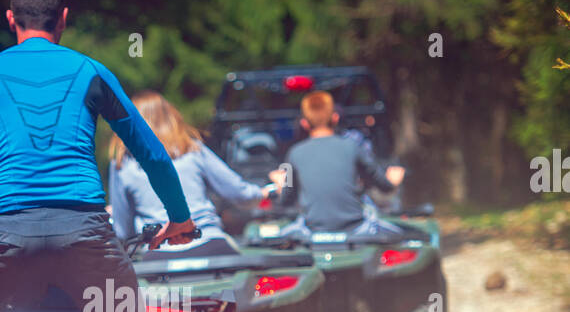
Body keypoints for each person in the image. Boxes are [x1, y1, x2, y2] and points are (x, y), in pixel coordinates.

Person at [0, 0, 197, 312]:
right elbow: (153, 155)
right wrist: (180, 218)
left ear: (10, 18)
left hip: (9, 237)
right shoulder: (91, 71)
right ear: (63, 18)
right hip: (85, 237)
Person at [109, 90, 287, 255]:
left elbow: (123, 231)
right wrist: (269, 191)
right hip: (208, 242)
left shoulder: (122, 164)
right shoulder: (193, 150)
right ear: (171, 117)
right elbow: (239, 194)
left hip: (157, 253)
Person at [277, 90, 406, 239]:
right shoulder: (352, 146)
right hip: (356, 230)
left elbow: (286, 200)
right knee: (402, 236)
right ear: (335, 118)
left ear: (304, 123)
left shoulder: (294, 153)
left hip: (313, 234)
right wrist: (393, 181)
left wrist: (281, 184)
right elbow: (382, 185)